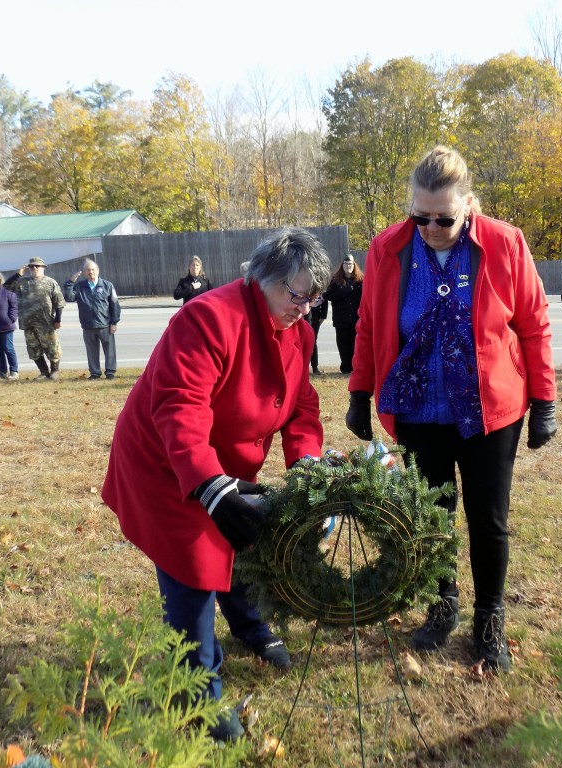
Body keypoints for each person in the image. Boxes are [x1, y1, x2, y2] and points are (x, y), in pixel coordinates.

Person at [101, 228, 331, 742]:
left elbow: (300, 406)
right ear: (263, 278)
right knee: (193, 570)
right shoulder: (208, 318)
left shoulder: (298, 332)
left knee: (242, 542)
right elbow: (180, 406)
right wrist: (209, 485)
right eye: (296, 296)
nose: (304, 309)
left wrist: (307, 468)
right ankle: (196, 690)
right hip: (168, 464)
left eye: (312, 299)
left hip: (224, 462)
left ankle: (249, 626)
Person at [344, 145, 557, 673]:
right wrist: (359, 393)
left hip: (489, 411)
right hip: (419, 410)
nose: (432, 228)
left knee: (488, 519)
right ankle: (443, 606)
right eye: (421, 217)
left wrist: (545, 401)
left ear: (468, 205)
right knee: (433, 517)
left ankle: (489, 621)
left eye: (444, 218)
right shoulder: (388, 248)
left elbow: (533, 324)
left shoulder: (504, 243)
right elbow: (368, 326)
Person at [5, 257, 65, 381]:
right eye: (32, 266)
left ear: (43, 268)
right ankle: (44, 372)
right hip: (28, 322)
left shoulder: (50, 282)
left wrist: (58, 320)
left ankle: (54, 371)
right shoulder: (22, 282)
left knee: (53, 348)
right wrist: (18, 274)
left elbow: (59, 302)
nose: (34, 268)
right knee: (34, 349)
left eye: (37, 266)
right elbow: (6, 287)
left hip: (46, 323)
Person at [64, 260, 122, 381]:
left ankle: (110, 372)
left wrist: (114, 322)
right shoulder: (80, 286)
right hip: (88, 325)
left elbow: (115, 305)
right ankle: (95, 373)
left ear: (98, 270)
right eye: (88, 270)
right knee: (91, 351)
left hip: (105, 325)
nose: (91, 272)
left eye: (93, 269)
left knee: (110, 350)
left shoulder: (107, 285)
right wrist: (70, 282)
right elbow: (69, 297)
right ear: (85, 272)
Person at [323, 254, 363, 374]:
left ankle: (355, 367)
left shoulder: (360, 280)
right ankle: (345, 368)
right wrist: (342, 291)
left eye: (350, 264)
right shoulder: (335, 280)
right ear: (342, 265)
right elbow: (327, 295)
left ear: (354, 265)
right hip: (341, 318)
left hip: (356, 318)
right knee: (343, 344)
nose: (348, 266)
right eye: (346, 264)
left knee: (356, 344)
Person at [308, 294, 328, 375]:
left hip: (315, 317)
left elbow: (324, 298)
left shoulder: (318, 288)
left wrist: (323, 315)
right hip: (303, 315)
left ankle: (315, 367)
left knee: (313, 341)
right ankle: (302, 367)